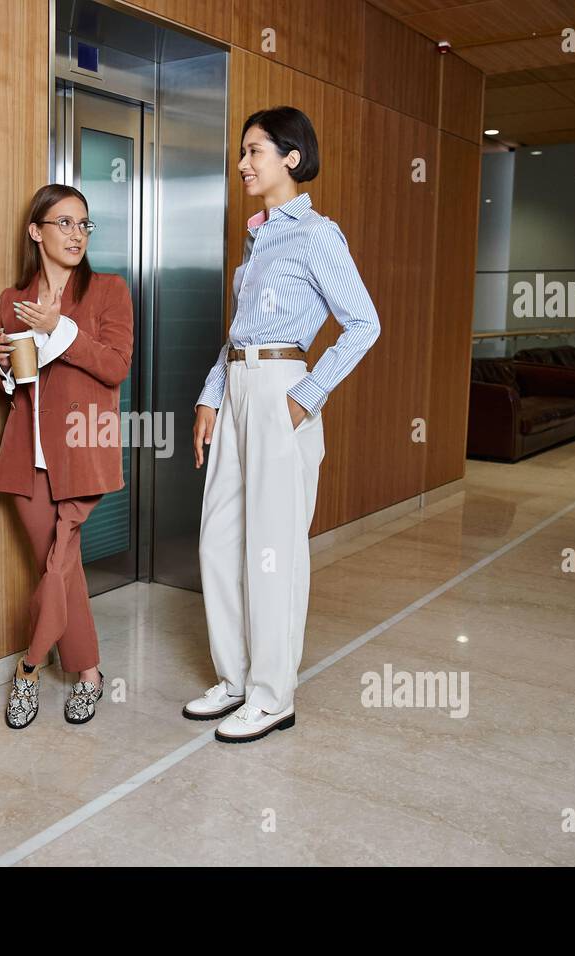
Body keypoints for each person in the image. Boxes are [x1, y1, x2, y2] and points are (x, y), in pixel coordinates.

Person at [187, 106, 380, 743]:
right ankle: (237, 679)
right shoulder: (259, 237)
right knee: (219, 539)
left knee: (272, 548)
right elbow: (239, 334)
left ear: (291, 158)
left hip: (279, 391)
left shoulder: (319, 235)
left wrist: (307, 396)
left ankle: (274, 696)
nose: (243, 164)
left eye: (255, 152)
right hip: (238, 385)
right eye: (242, 153)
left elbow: (363, 323)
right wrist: (210, 397)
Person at [0, 184, 133, 729]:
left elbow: (115, 366)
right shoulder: (12, 299)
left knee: (58, 560)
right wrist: (4, 365)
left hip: (84, 448)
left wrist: (60, 330)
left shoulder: (108, 291)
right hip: (28, 456)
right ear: (37, 232)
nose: (76, 234)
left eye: (83, 225)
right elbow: (16, 382)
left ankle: (28, 669)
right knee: (62, 569)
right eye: (64, 223)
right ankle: (89, 673)